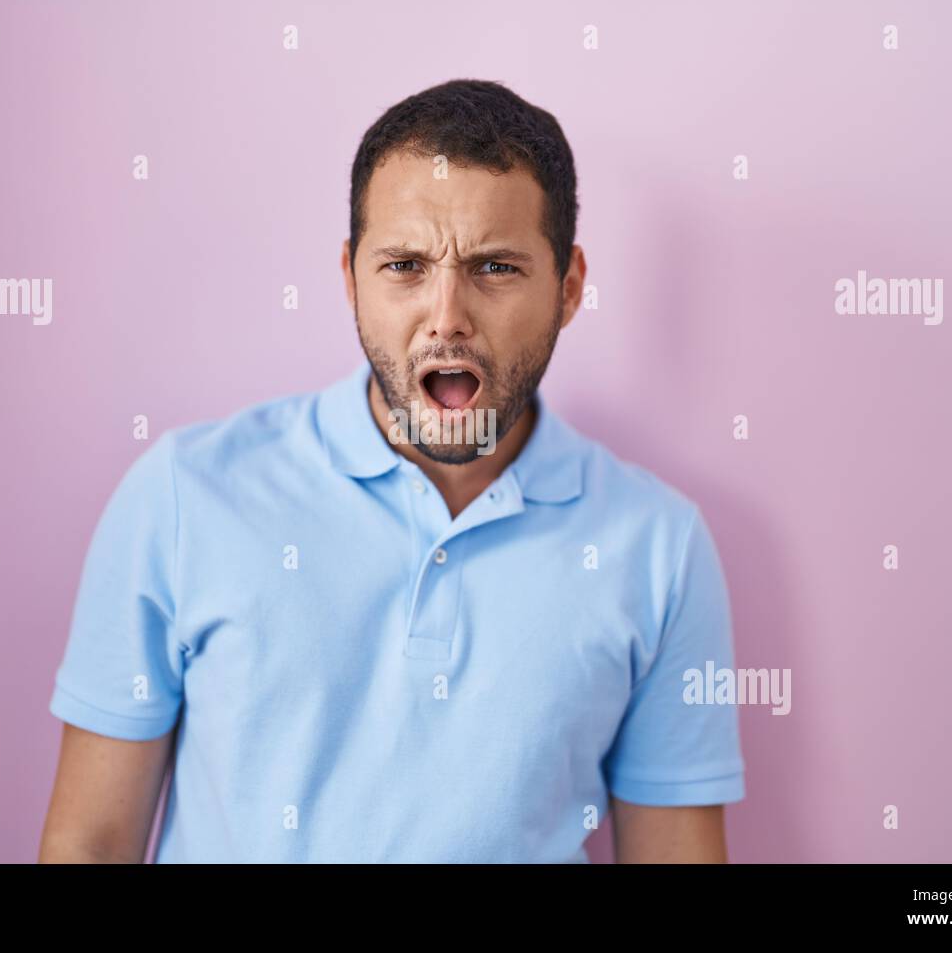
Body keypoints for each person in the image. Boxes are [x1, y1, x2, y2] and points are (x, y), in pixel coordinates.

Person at [39, 78, 745, 863]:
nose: (446, 317)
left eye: (496, 268)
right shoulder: (183, 495)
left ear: (569, 287)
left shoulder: (658, 546)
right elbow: (90, 844)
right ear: (350, 278)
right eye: (406, 265)